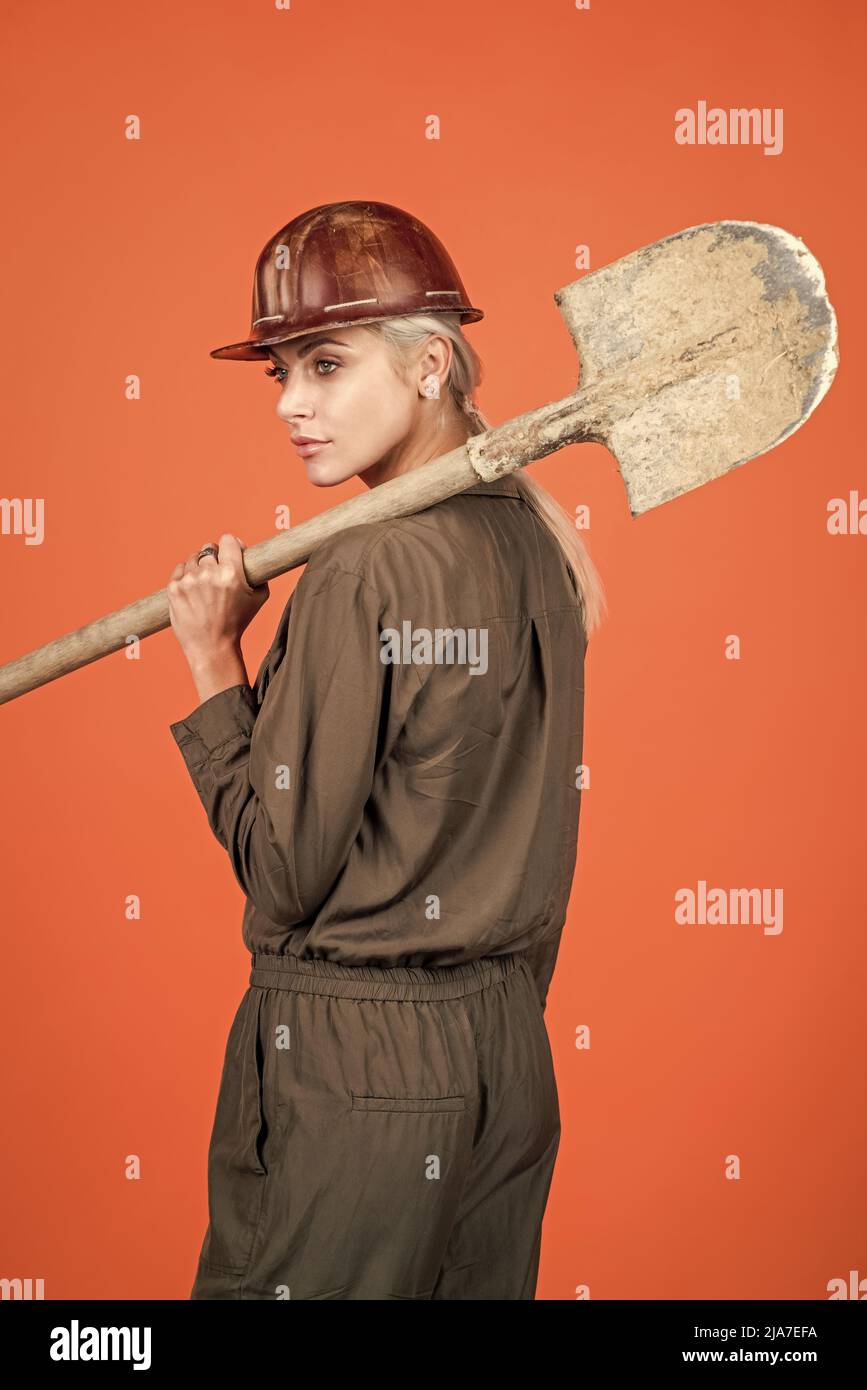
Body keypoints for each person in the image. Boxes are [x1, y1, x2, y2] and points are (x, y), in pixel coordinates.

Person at [167, 201, 606, 1300]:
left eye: (326, 364)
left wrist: (215, 660)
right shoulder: (538, 542)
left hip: (355, 1066)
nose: (292, 402)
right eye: (282, 373)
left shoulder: (363, 571)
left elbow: (283, 872)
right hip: (507, 1055)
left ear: (428, 366)